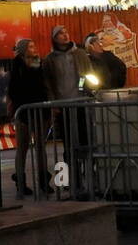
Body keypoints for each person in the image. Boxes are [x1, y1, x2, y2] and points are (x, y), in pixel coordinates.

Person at [43, 27, 91, 194]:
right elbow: (49, 83)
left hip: (79, 102)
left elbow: (86, 74)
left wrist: (80, 89)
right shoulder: (50, 60)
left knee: (83, 142)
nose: (65, 35)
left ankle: (85, 180)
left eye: (66, 32)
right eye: (60, 33)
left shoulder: (79, 54)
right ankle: (66, 180)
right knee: (67, 145)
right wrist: (54, 103)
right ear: (55, 38)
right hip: (62, 105)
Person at [7, 39, 48, 199]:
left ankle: (44, 179)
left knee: (40, 146)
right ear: (24, 50)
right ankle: (21, 180)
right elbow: (13, 89)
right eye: (31, 47)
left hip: (39, 108)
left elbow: (43, 84)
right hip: (23, 109)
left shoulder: (40, 63)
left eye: (34, 45)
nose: (34, 48)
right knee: (22, 147)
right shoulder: (17, 65)